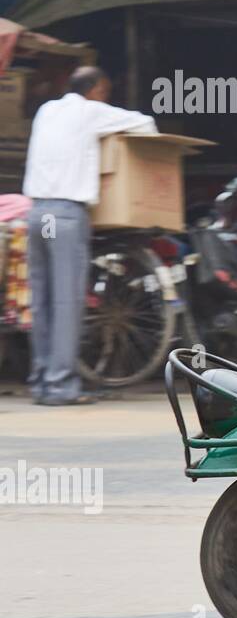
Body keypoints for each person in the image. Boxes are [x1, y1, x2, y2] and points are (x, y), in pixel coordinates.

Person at [22, 66, 158, 405]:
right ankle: (61, 386)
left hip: (38, 214)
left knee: (42, 302)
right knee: (67, 302)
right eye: (105, 90)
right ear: (96, 89)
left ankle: (41, 381)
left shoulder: (46, 111)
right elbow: (145, 124)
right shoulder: (90, 111)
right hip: (66, 215)